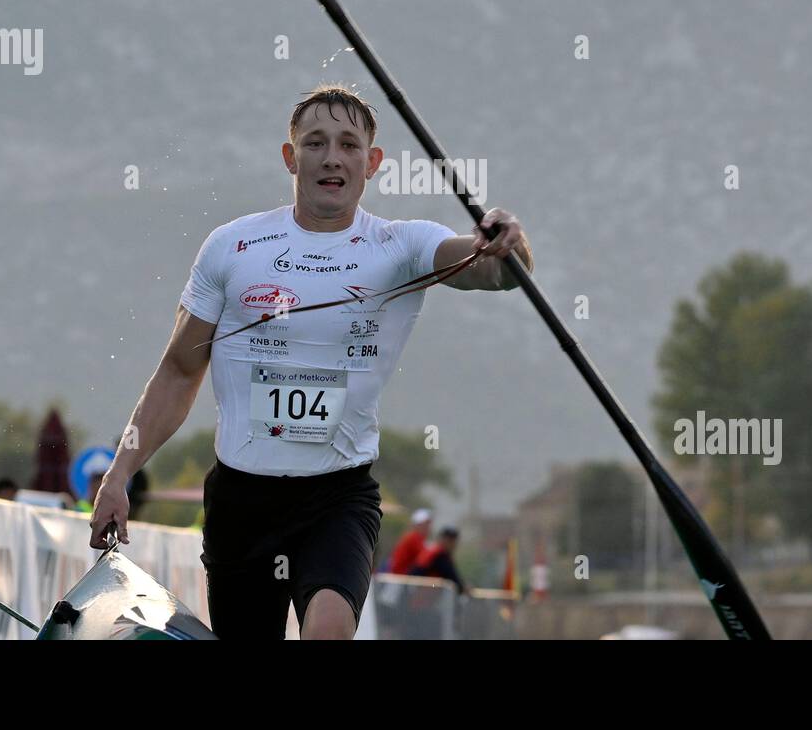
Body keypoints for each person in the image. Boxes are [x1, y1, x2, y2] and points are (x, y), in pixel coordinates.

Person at [90, 84, 533, 640]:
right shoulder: (232, 247)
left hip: (336, 497)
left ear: (371, 163)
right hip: (240, 502)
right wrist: (119, 475)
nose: (331, 157)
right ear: (289, 156)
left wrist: (508, 245)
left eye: (349, 144)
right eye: (315, 143)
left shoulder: (401, 245)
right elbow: (180, 371)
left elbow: (492, 273)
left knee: (328, 629)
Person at [410, 527, 468, 594]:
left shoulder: (432, 551)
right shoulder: (440, 556)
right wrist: (463, 587)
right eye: (450, 540)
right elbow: (453, 578)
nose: (452, 544)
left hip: (417, 593)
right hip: (421, 595)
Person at [387, 509, 432, 575]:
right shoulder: (413, 537)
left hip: (403, 576)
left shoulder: (415, 537)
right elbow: (425, 558)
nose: (428, 527)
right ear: (417, 525)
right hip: (401, 577)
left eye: (428, 524)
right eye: (425, 524)